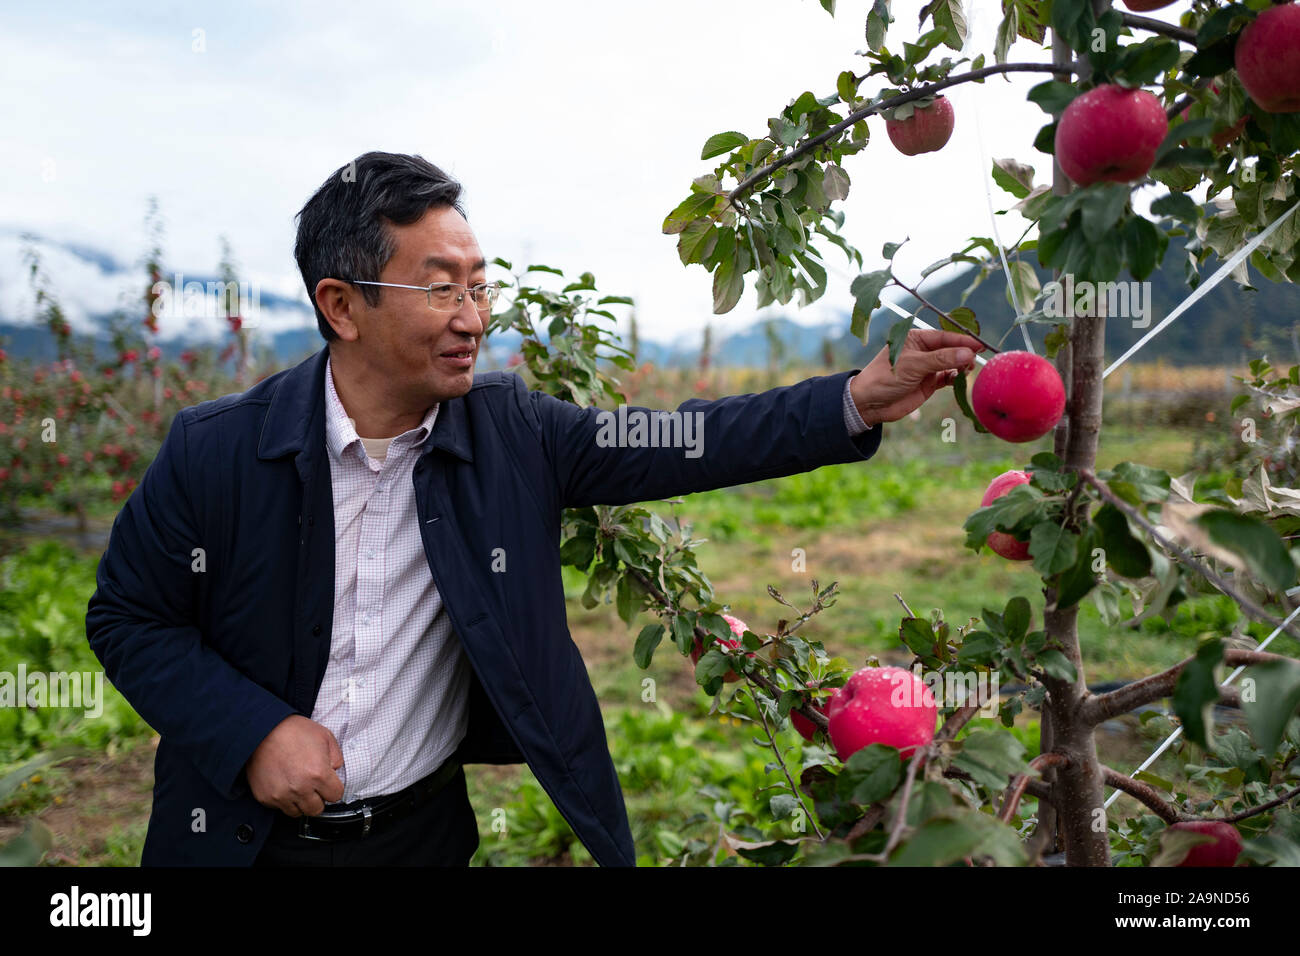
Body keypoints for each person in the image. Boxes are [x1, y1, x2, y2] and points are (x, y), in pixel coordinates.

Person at [85, 150, 983, 867]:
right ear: (341, 307)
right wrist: (254, 733)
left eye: (480, 285)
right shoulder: (218, 451)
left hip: (419, 839)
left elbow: (683, 439)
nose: (473, 316)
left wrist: (858, 399)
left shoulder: (508, 430)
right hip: (237, 839)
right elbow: (129, 617)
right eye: (441, 288)